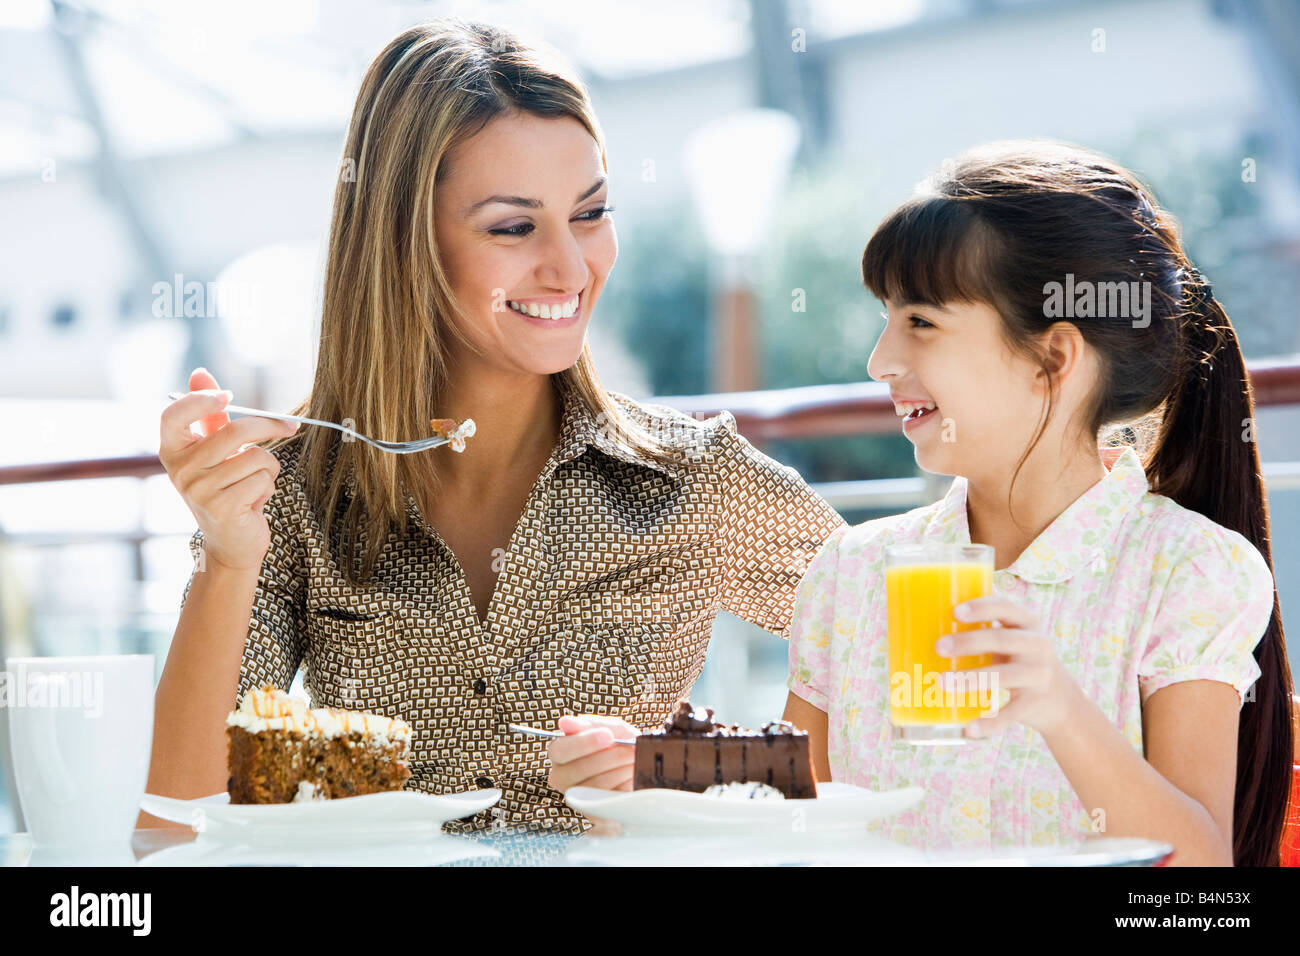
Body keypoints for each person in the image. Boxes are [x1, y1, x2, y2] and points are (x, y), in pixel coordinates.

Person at [142, 18, 845, 833]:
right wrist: (227, 560)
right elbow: (171, 830)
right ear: (404, 243)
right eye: (514, 227)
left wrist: (673, 768)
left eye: (590, 213)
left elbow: (897, 668)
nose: (572, 267)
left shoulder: (695, 479)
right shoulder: (294, 493)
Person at [784, 140, 1295, 866]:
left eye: (920, 322)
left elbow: (1200, 879)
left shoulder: (1189, 573)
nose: (880, 362)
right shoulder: (853, 573)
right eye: (887, 318)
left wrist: (1059, 707)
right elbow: (788, 836)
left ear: (1053, 358)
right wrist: (651, 786)